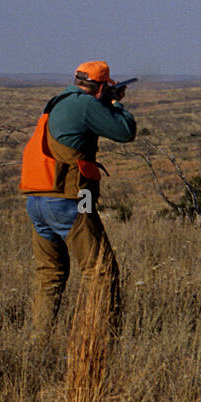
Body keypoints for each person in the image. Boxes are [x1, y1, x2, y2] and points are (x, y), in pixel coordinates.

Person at [20, 61, 136, 348]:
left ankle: (38, 341)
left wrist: (105, 98)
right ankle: (101, 341)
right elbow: (125, 132)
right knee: (100, 270)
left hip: (37, 198)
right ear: (100, 86)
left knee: (50, 273)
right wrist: (115, 105)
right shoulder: (86, 104)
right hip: (70, 199)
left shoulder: (57, 102)